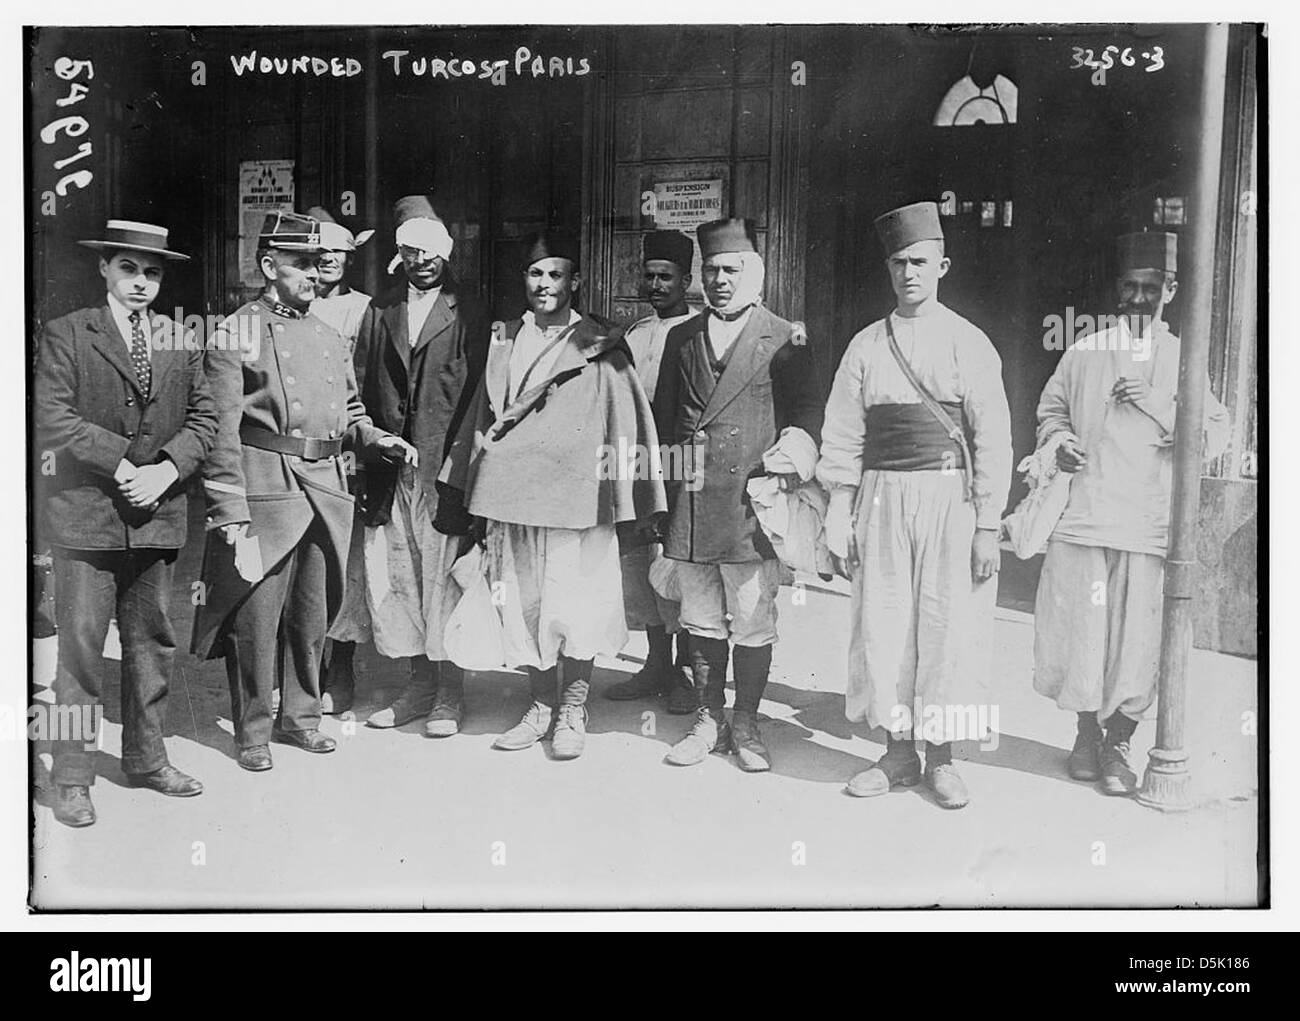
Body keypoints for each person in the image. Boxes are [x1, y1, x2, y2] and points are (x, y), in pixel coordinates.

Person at [191, 211, 416, 772]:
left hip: (326, 489)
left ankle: (302, 718)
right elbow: (218, 433)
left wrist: (377, 439)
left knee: (312, 615)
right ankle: (252, 731)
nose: (315, 274)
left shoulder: (329, 334)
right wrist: (229, 511)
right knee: (256, 618)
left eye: (320, 264)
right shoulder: (236, 330)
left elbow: (351, 410)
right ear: (269, 266)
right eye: (301, 264)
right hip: (267, 486)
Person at [438, 232, 665, 760]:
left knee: (577, 602)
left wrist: (626, 492)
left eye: (556, 275)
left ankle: (573, 707)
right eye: (536, 275)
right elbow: (483, 415)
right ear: (525, 281)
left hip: (577, 499)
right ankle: (540, 704)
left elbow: (624, 417)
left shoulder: (599, 341)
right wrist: (472, 474)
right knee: (525, 601)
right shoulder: (504, 339)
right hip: (515, 496)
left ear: (574, 282)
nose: (545, 285)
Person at [817, 201, 1012, 809]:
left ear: (943, 265)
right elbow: (843, 436)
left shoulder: (967, 341)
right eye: (898, 262)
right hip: (881, 497)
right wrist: (838, 511)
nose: (909, 273)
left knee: (948, 624)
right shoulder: (866, 346)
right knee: (886, 621)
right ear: (888, 268)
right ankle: (897, 751)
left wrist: (987, 524)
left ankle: (943, 758)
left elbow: (994, 439)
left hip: (950, 499)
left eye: (920, 261)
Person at [34, 219, 219, 826]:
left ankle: (147, 758)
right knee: (81, 652)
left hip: (157, 514)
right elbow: (51, 417)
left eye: (153, 272)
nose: (142, 282)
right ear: (104, 270)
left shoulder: (180, 339)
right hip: (87, 520)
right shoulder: (68, 333)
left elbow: (205, 421)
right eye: (129, 269)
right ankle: (72, 777)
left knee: (152, 645)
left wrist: (165, 472)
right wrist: (123, 464)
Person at [1032, 230, 1229, 795]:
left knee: (1137, 643)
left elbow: (1215, 432)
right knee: (1082, 636)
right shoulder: (1085, 350)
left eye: (1151, 288)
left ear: (1170, 288)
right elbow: (1050, 410)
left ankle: (1119, 742)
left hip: (1147, 526)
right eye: (1130, 288)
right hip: (1086, 518)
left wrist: (1157, 404)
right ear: (1118, 291)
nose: (1139, 299)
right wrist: (1059, 439)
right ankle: (1084, 738)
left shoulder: (1180, 357)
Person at [653, 218, 823, 773]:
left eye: (731, 270)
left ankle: (746, 721)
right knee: (699, 616)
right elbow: (664, 425)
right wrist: (665, 503)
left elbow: (805, 416)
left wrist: (792, 456)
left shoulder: (784, 338)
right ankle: (708, 718)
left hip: (750, 506)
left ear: (754, 273)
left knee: (751, 615)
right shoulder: (681, 337)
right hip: (695, 505)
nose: (719, 280)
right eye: (711, 270)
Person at [346, 195, 489, 735]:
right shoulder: (379, 310)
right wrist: (376, 440)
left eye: (429, 252)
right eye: (410, 251)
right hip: (391, 467)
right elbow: (358, 388)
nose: (421, 261)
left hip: (444, 468)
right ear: (398, 255)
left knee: (442, 575)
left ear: (445, 254)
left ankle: (450, 691)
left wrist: (461, 464)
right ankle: (418, 683)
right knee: (398, 574)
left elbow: (481, 393)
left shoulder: (471, 310)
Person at [604, 229, 696, 713]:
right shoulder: (635, 334)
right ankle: (655, 662)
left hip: (680, 460)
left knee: (676, 560)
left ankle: (685, 670)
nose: (657, 285)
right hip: (638, 459)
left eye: (667, 277)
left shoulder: (701, 330)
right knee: (639, 561)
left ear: (686, 280)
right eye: (651, 276)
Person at [305, 205, 375, 715]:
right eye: (319, 251)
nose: (328, 260)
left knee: (344, 556)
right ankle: (299, 665)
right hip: (296, 445)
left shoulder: (365, 309)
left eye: (338, 252)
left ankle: (341, 665)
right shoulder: (293, 302)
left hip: (347, 445)